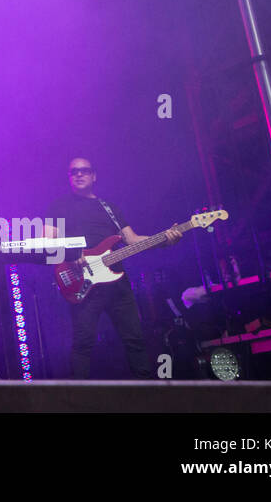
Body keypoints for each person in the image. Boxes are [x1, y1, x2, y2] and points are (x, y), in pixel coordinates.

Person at [43, 158, 181, 379]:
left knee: (134, 338)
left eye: (84, 171)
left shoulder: (110, 208)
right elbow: (47, 241)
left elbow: (133, 240)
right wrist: (70, 255)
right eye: (73, 172)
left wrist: (165, 239)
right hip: (82, 282)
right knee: (83, 343)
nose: (79, 174)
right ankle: (79, 400)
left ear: (94, 175)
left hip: (117, 283)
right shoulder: (59, 206)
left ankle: (147, 395)